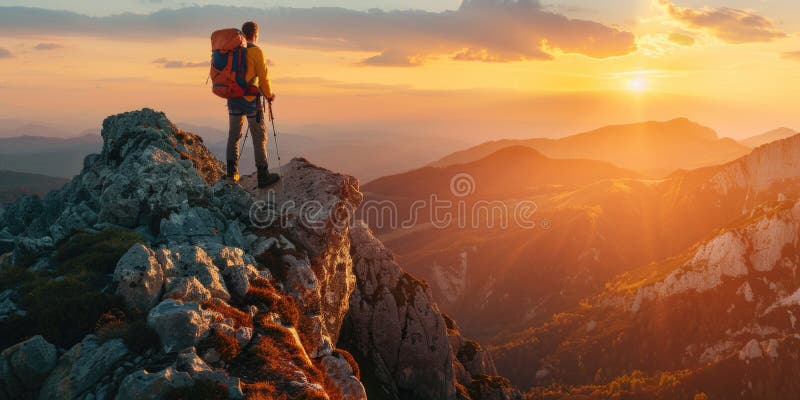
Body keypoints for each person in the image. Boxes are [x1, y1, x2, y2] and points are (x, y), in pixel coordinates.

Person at [226, 21, 280, 188]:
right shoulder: (256, 51)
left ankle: (231, 174)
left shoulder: (233, 50)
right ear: (256, 34)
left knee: (234, 135)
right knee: (259, 136)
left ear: (243, 33)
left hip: (233, 98)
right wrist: (269, 95)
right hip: (250, 100)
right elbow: (263, 78)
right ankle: (263, 175)